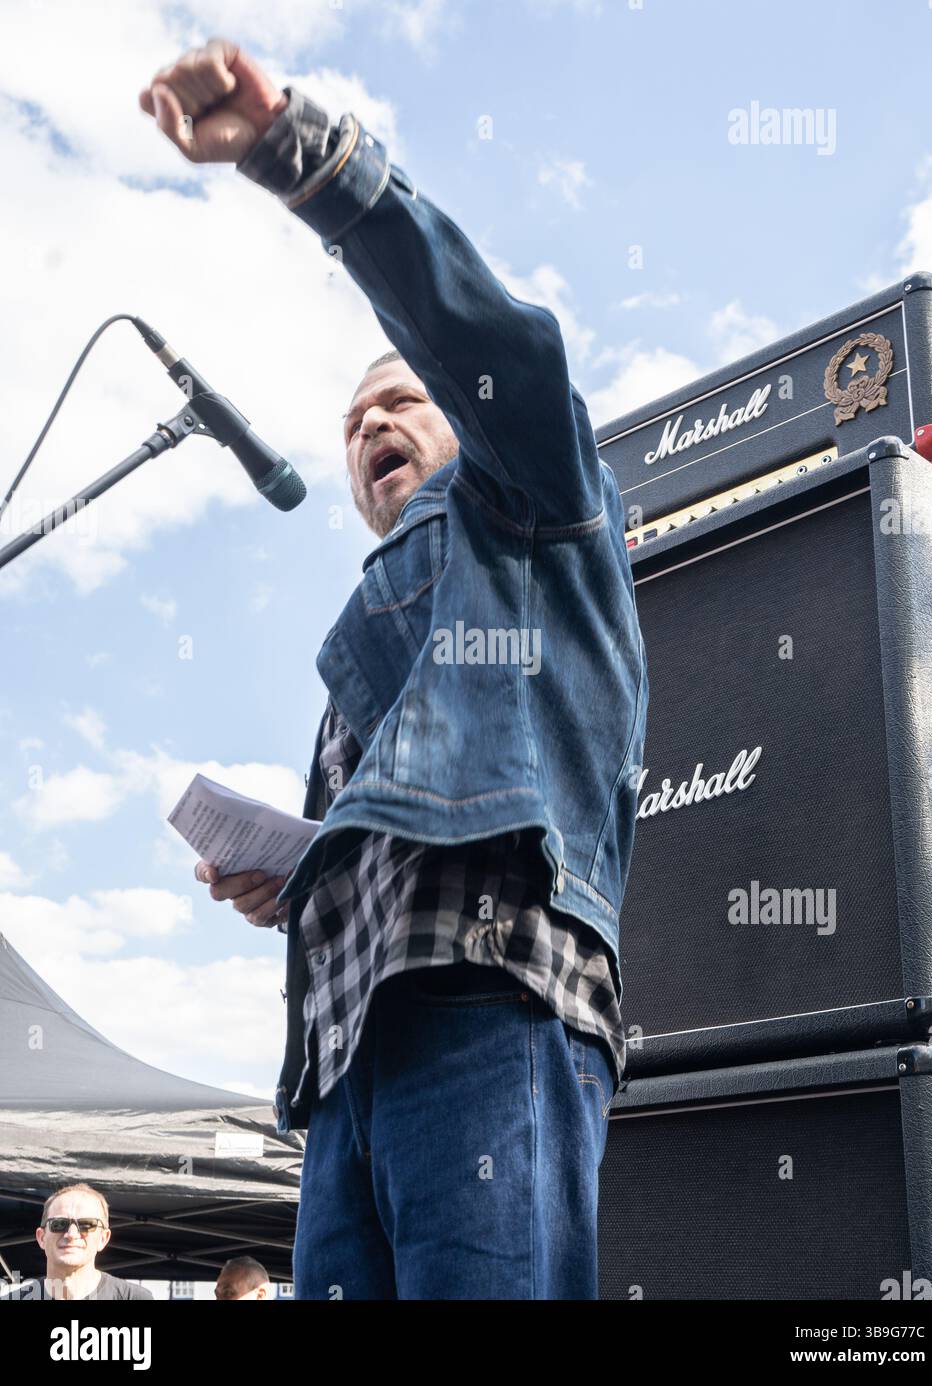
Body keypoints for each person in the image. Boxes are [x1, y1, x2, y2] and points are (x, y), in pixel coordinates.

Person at [141, 37, 648, 1300]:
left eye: (398, 402)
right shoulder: (374, 629)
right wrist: (298, 873)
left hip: (488, 996)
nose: (369, 424)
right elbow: (402, 827)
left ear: (464, 417)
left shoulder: (526, 502)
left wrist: (293, 150)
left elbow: (491, 339)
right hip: (346, 1061)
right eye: (352, 419)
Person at [0, 1184, 153, 1300]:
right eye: (59, 1224)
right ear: (41, 1237)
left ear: (103, 1238)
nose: (71, 1234)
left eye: (87, 1225)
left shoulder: (133, 1297)